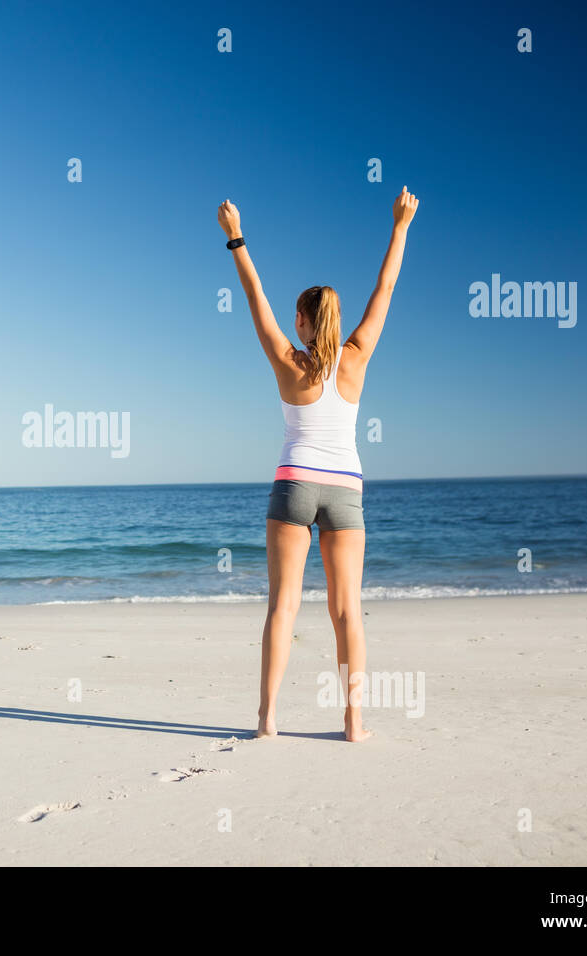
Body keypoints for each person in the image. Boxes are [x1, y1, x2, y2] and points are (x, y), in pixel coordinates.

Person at [217, 187, 419, 741]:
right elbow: (387, 288)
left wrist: (235, 235)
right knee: (348, 613)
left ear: (304, 323)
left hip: (294, 486)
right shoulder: (357, 358)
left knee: (282, 608)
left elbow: (253, 292)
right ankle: (354, 723)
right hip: (345, 492)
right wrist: (400, 226)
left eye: (296, 317)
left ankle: (267, 721)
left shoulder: (289, 363)